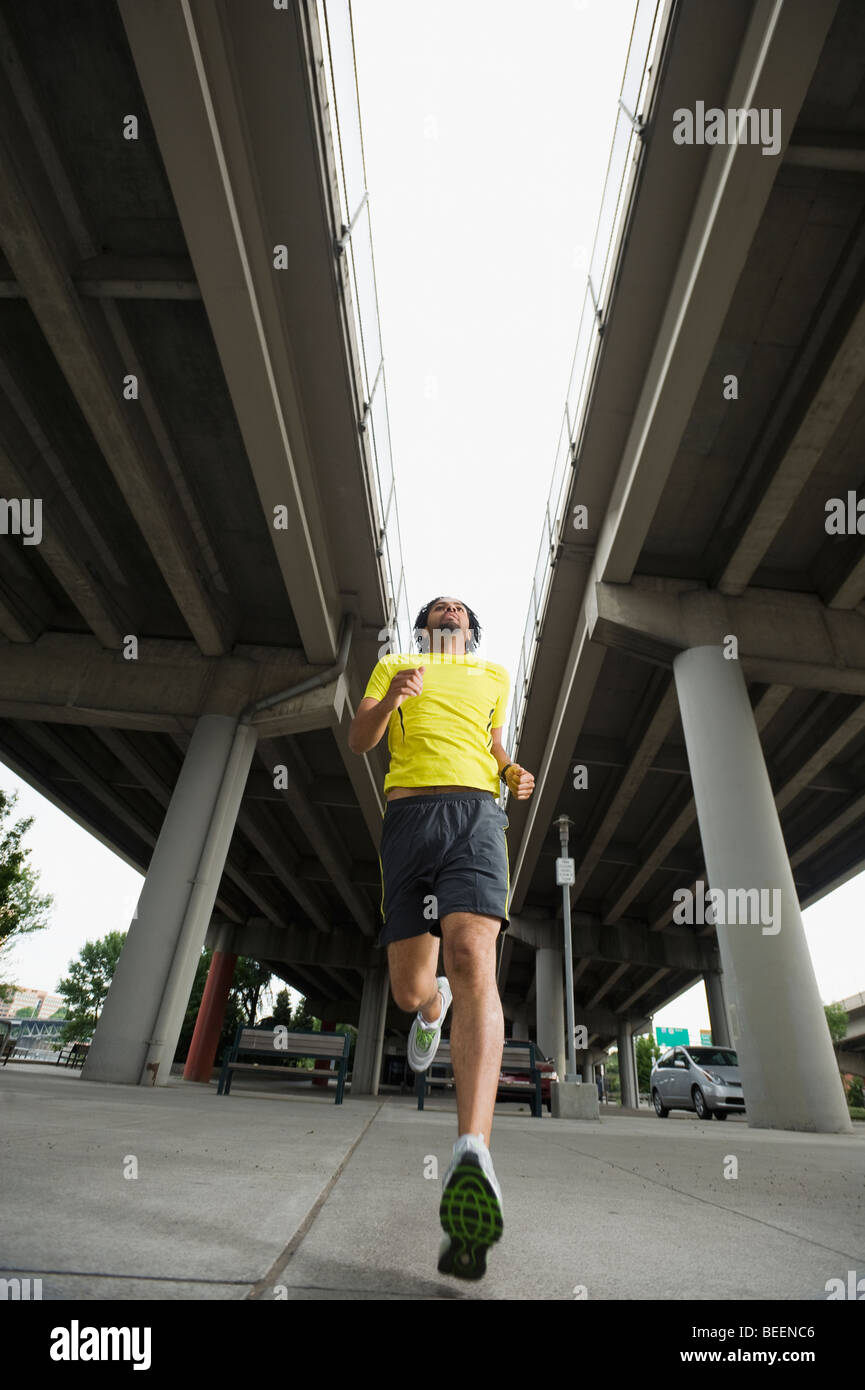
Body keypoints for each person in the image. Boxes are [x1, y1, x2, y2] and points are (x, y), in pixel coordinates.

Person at [348, 596, 535, 1280]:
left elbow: (494, 748)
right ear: (425, 629)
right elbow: (360, 739)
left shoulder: (492, 676)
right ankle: (433, 1010)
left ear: (470, 631)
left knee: (472, 955)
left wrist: (512, 772)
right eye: (437, 609)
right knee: (410, 990)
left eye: (458, 610)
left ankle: (471, 1152)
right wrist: (390, 697)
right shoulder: (394, 664)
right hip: (409, 820)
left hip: (476, 818)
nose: (447, 611)